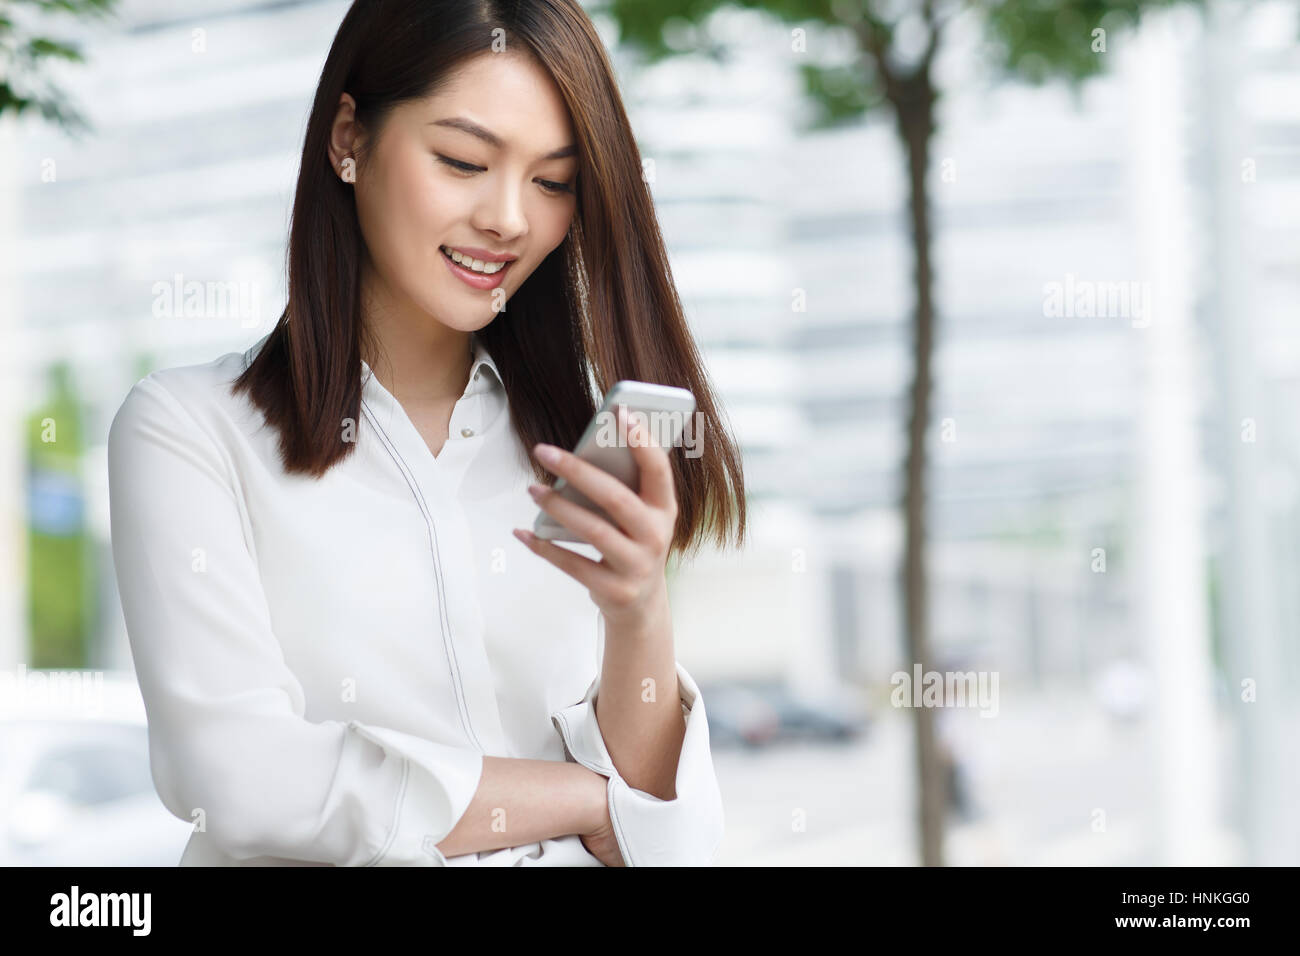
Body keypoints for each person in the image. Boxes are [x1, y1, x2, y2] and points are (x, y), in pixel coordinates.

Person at [106, 0, 746, 867]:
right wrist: (585, 797)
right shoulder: (190, 432)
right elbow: (241, 781)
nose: (510, 218)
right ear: (348, 138)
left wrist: (638, 613)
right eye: (463, 161)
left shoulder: (577, 449)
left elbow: (665, 843)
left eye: (554, 182)